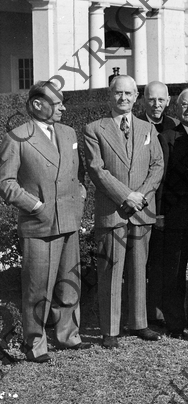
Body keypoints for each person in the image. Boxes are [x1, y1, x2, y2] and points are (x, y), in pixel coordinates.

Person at [0, 81, 88, 362]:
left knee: (69, 281)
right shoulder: (17, 137)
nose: (63, 106)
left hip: (69, 222)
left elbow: (80, 175)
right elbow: (6, 183)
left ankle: (68, 335)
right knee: (37, 287)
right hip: (39, 225)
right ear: (37, 105)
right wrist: (35, 206)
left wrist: (80, 200)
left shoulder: (69, 132)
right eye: (57, 102)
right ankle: (35, 343)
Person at [84, 75, 165, 348]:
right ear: (110, 95)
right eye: (119, 93)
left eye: (129, 94)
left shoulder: (147, 128)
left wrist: (141, 196)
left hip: (142, 209)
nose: (124, 98)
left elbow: (157, 166)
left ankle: (139, 323)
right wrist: (126, 195)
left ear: (136, 96)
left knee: (139, 269)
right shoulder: (94, 129)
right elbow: (97, 170)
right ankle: (110, 329)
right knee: (111, 270)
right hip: (114, 209)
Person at [157, 88, 188, 339]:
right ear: (176, 109)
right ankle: (175, 321)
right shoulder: (167, 137)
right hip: (175, 214)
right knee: (174, 271)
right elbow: (161, 179)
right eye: (184, 105)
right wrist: (160, 213)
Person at [140, 80, 179, 327]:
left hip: (164, 203)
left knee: (163, 261)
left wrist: (163, 211)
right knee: (142, 263)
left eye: (161, 100)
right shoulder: (135, 125)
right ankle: (142, 312)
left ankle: (159, 309)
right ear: (144, 100)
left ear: (168, 101)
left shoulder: (173, 125)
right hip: (140, 201)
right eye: (152, 99)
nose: (156, 105)